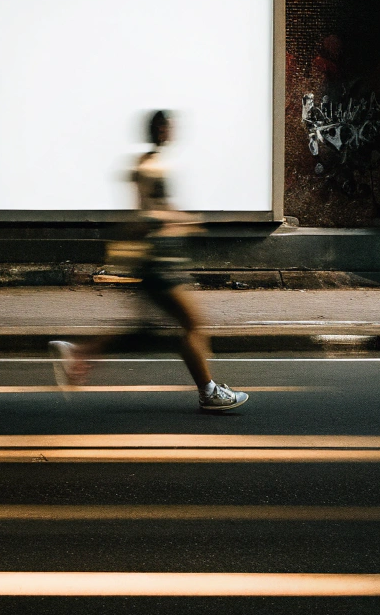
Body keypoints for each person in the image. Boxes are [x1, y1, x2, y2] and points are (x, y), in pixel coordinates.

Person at [51, 109, 249, 412]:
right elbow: (148, 215)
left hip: (159, 260)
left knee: (152, 332)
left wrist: (180, 219)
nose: (172, 131)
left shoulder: (148, 165)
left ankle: (83, 353)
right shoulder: (150, 168)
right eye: (168, 126)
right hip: (158, 261)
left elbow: (150, 209)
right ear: (159, 129)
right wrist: (182, 220)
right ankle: (208, 392)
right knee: (192, 327)